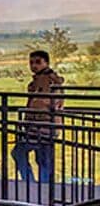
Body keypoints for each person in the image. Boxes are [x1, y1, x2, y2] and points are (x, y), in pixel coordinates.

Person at [13, 50, 64, 185]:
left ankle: (38, 186)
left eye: (38, 62)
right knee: (41, 158)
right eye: (31, 63)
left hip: (44, 125)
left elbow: (48, 102)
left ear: (46, 63)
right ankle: (39, 186)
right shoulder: (39, 81)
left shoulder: (50, 81)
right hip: (38, 126)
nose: (34, 66)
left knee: (37, 157)